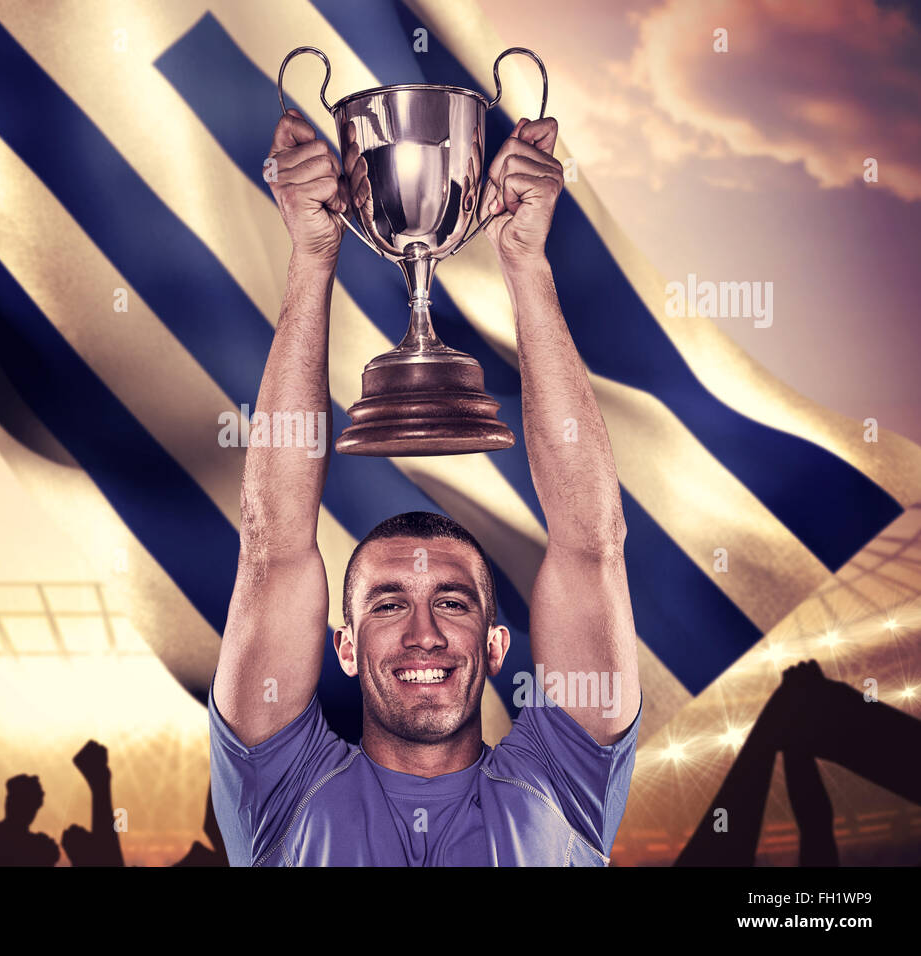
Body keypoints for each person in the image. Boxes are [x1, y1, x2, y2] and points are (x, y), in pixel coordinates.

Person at [209, 109, 642, 866]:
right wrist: (313, 260)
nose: (423, 635)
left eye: (453, 602)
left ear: (498, 645)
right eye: (387, 605)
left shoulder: (566, 784)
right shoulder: (275, 790)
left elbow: (591, 546)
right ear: (341, 646)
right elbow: (271, 547)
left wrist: (526, 263)